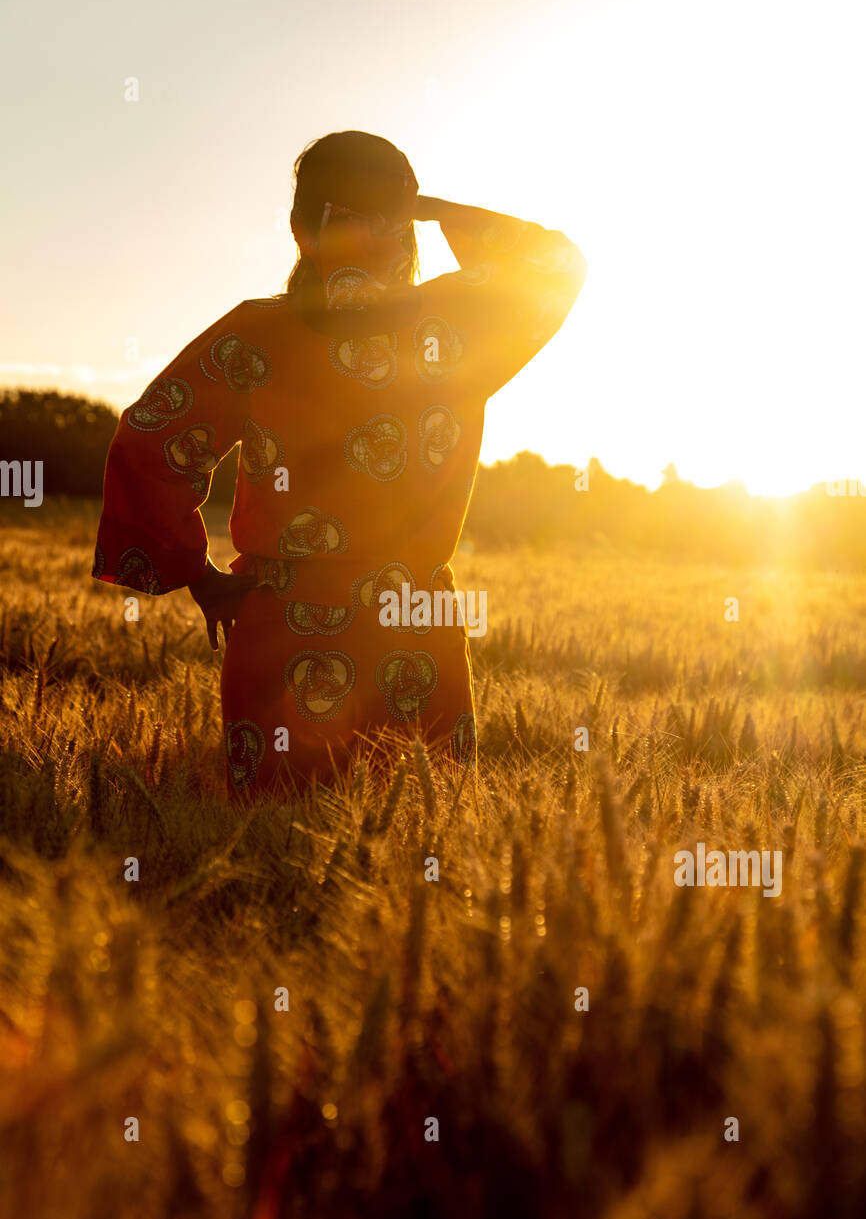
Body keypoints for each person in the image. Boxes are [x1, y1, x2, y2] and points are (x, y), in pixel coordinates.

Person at [92, 130, 587, 796]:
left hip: (279, 633)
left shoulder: (256, 335)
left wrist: (198, 576)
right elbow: (553, 266)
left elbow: (148, 437)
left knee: (267, 863)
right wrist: (434, 210)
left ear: (299, 228)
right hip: (414, 629)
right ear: (404, 226)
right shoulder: (453, 327)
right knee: (417, 851)